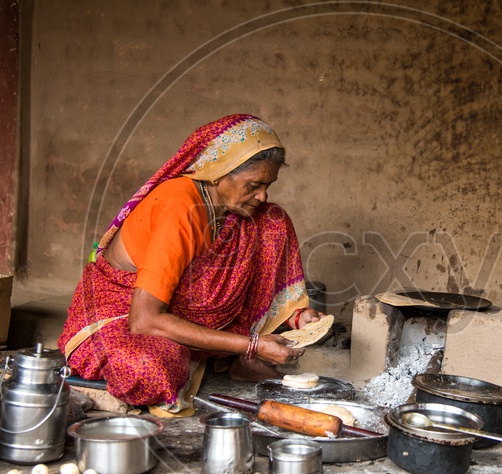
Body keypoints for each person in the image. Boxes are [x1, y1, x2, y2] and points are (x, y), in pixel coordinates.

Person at [57, 114, 323, 416]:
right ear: (217, 173)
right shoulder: (179, 210)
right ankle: (231, 352)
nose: (262, 195)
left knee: (272, 220)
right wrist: (252, 345)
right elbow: (143, 320)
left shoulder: (234, 209)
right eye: (254, 185)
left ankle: (236, 357)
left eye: (268, 184)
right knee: (152, 369)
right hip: (122, 313)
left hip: (189, 313)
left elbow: (248, 276)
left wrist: (296, 318)